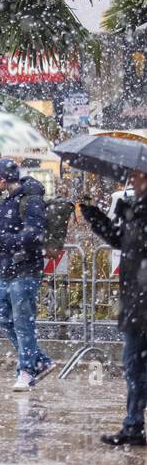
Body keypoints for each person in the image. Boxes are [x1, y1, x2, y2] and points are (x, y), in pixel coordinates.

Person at [80, 174, 147, 447]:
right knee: (133, 367)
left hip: (141, 302)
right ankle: (133, 426)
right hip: (135, 304)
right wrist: (93, 214)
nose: (135, 179)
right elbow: (119, 240)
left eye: (140, 175)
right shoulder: (136, 209)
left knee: (137, 367)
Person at [0, 158, 55, 391]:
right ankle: (40, 361)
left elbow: (35, 234)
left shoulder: (31, 200)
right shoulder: (7, 201)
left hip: (25, 269)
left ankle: (26, 370)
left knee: (23, 322)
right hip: (6, 270)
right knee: (1, 317)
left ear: (3, 179)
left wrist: (9, 241)